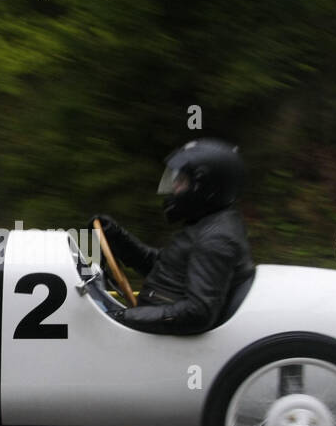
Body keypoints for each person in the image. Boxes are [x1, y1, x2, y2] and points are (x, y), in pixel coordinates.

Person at [91, 138, 254, 335]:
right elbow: (164, 269)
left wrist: (123, 318)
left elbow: (198, 313)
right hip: (152, 321)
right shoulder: (207, 224)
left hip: (162, 343)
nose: (174, 187)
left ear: (204, 188)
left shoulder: (215, 240)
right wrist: (117, 237)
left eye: (182, 181)